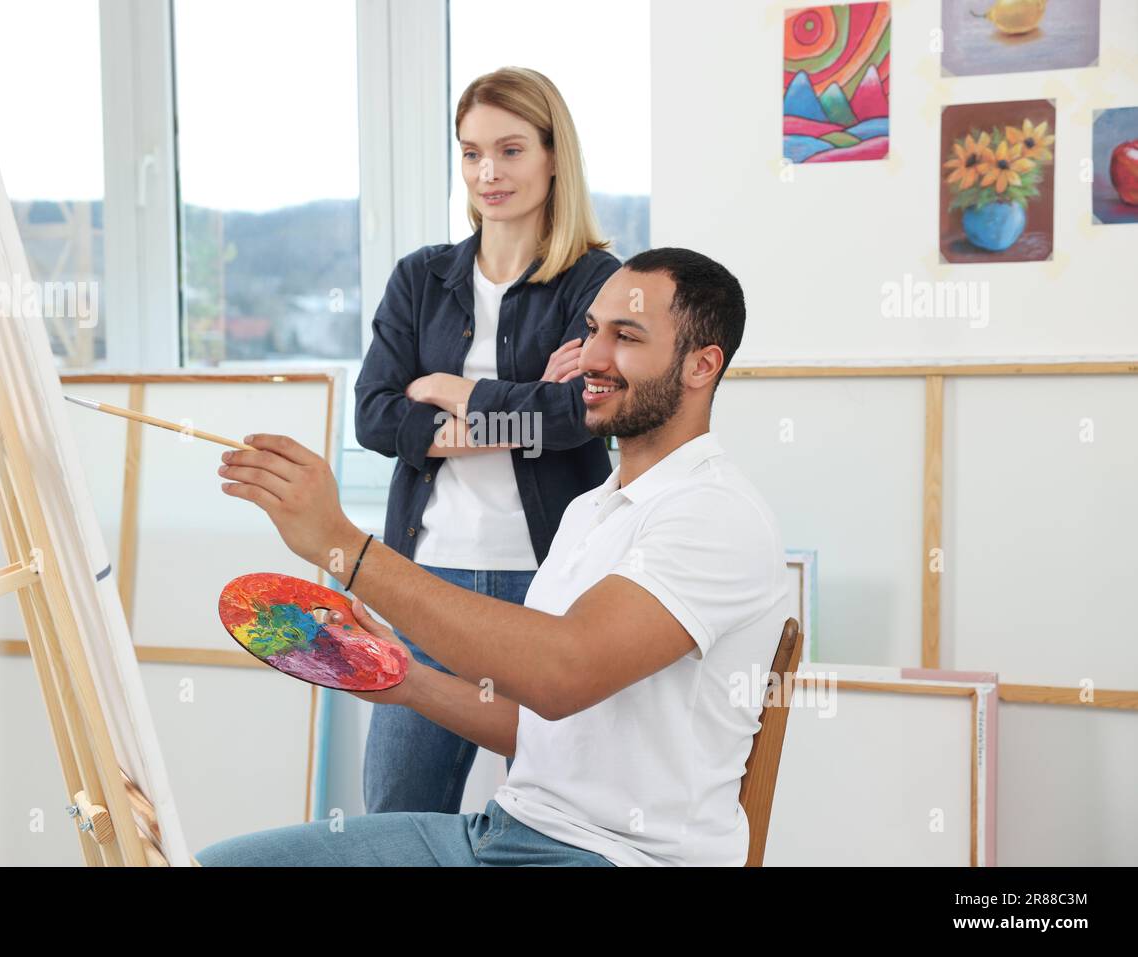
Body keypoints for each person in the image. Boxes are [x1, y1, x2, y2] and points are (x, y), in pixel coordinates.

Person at [203, 248, 788, 867]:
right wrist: (406, 678)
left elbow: (561, 675)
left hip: (620, 856)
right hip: (503, 832)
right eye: (592, 330)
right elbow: (539, 728)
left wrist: (342, 545)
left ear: (702, 366)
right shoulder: (589, 510)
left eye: (627, 337)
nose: (590, 356)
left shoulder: (715, 514)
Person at [353, 66, 621, 814]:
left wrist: (447, 389)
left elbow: (578, 414)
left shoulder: (597, 281)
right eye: (471, 153)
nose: (487, 173)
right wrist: (527, 405)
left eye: (509, 151)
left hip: (546, 584)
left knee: (550, 817)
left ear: (552, 155)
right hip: (428, 577)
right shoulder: (420, 278)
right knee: (396, 819)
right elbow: (374, 415)